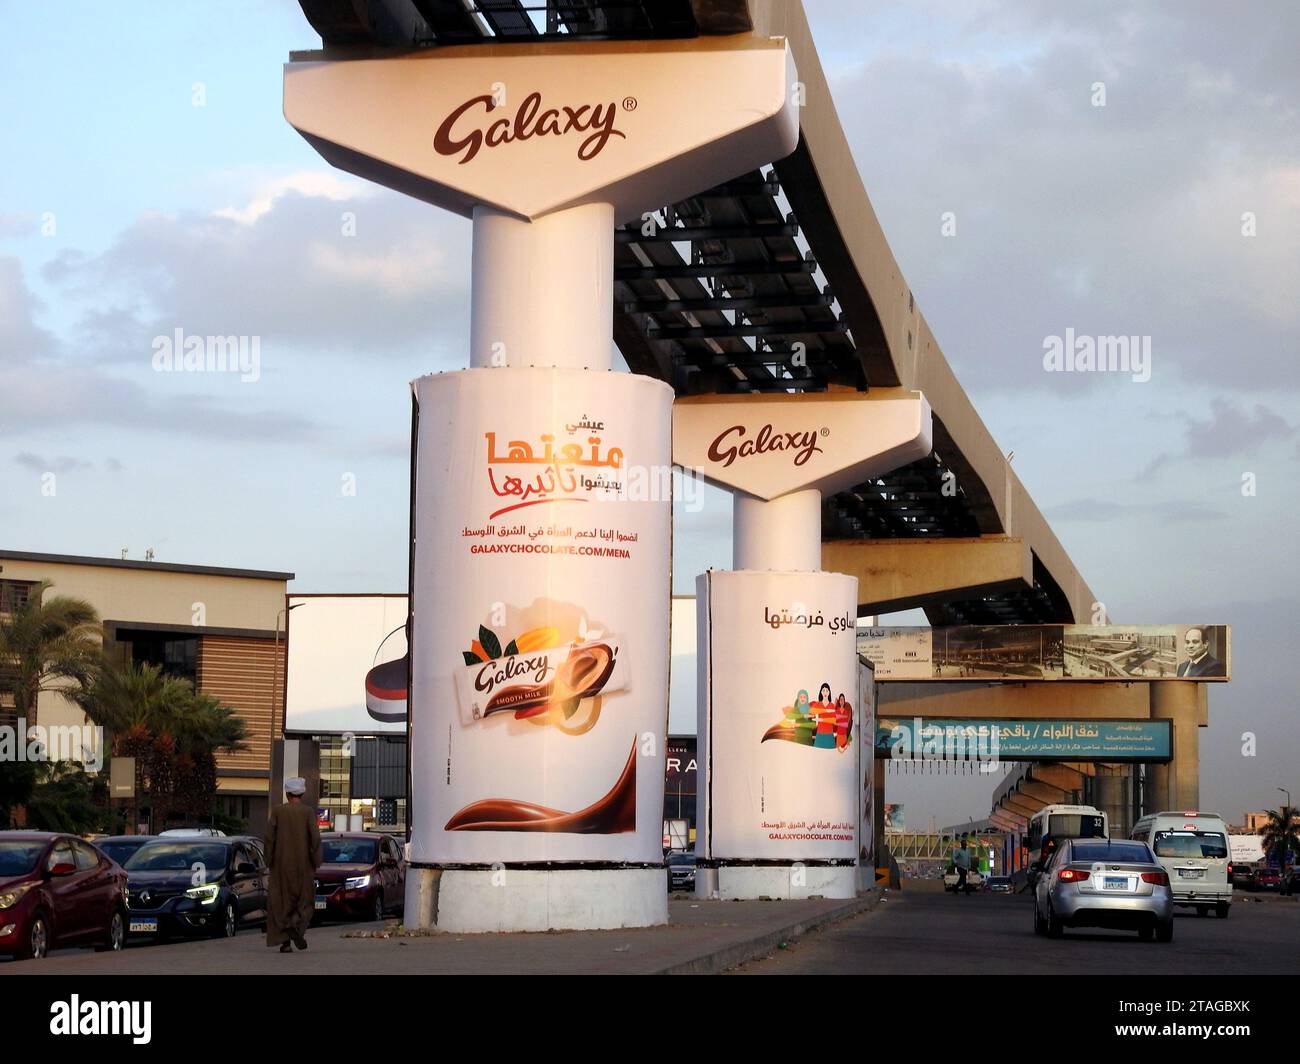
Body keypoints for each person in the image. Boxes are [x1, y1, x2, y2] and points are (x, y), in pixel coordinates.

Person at [264, 776, 321, 953]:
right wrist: (315, 860)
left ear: (287, 793)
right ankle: (296, 927)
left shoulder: (278, 811)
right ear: (302, 793)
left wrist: (269, 859)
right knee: (304, 901)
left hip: (281, 866)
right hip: (303, 866)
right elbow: (315, 838)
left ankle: (285, 942)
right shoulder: (308, 812)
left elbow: (269, 838)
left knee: (281, 901)